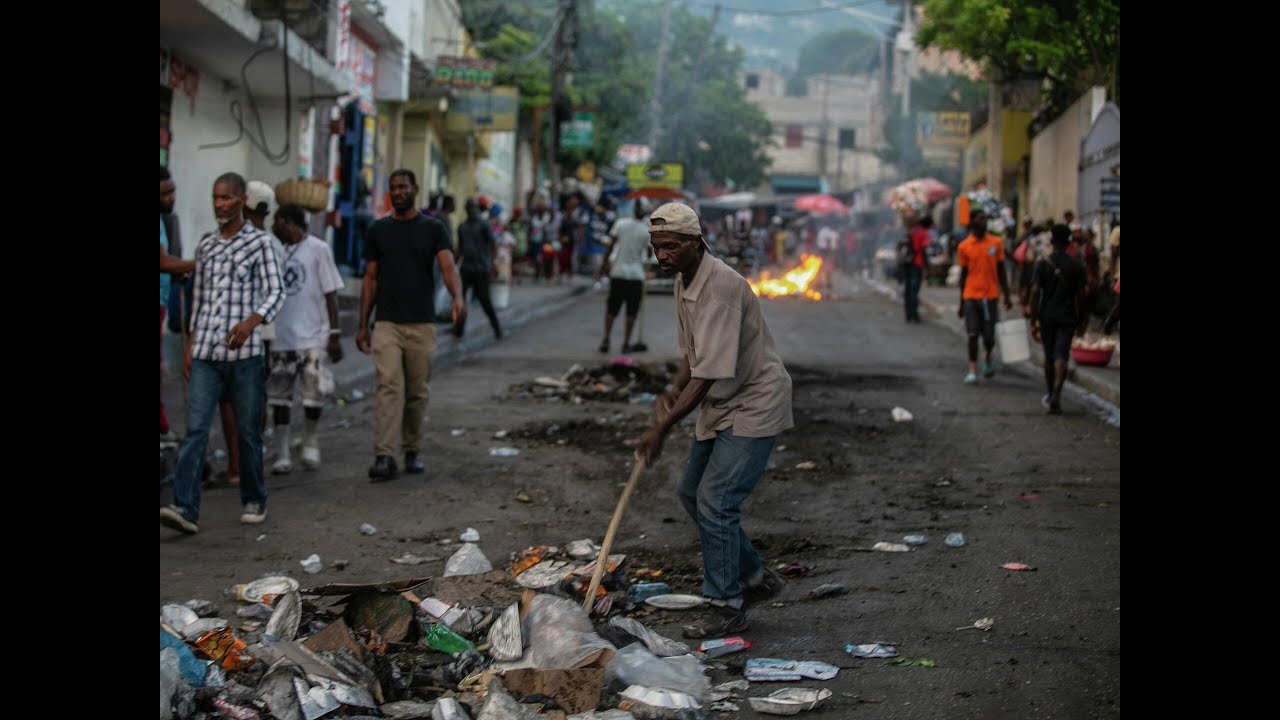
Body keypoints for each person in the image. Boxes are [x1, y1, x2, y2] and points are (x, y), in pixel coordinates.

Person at [636, 202, 792, 639]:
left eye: (670, 247)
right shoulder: (683, 279)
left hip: (755, 400)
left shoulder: (720, 287)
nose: (662, 255)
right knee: (692, 493)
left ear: (695, 242)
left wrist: (661, 430)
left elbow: (707, 373)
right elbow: (693, 356)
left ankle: (726, 605)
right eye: (656, 247)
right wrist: (671, 389)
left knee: (717, 500)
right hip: (724, 401)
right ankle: (755, 577)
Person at [160, 172, 285, 534]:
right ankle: (185, 507)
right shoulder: (206, 247)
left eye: (227, 198)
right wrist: (191, 344)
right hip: (205, 354)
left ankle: (254, 497)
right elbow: (199, 299)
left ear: (242, 199)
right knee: (196, 429)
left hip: (244, 356)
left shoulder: (260, 244)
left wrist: (251, 323)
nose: (220, 204)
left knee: (247, 431)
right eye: (216, 198)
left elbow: (276, 292)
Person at [357, 170, 466, 481]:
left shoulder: (433, 229)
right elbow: (370, 279)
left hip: (422, 322)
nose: (397, 192)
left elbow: (447, 266)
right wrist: (363, 324)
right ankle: (383, 455)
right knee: (388, 386)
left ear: (415, 190)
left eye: (403, 187)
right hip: (387, 322)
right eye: (392, 188)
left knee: (417, 392)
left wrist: (458, 297)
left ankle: (412, 450)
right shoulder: (378, 230)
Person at [266, 203, 345, 473]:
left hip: (313, 335)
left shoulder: (318, 249)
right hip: (281, 337)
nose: (272, 227)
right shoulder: (275, 251)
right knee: (280, 397)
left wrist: (334, 333)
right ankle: (283, 451)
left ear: (288, 222)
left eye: (276, 222)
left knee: (313, 395)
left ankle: (310, 440)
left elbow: (331, 293)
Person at [1030, 224, 1087, 414]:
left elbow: (1035, 291)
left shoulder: (1042, 264)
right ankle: (1057, 392)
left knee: (1049, 357)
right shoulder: (1077, 266)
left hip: (1047, 316)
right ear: (1069, 242)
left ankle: (1049, 391)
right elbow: (1083, 295)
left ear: (1052, 242)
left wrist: (1033, 319)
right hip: (1068, 316)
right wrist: (1083, 321)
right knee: (1062, 355)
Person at [955, 210, 1013, 383]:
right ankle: (972, 369)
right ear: (972, 222)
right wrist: (961, 303)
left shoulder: (995, 243)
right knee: (972, 335)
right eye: (981, 219)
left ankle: (988, 357)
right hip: (971, 296)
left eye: (985, 219)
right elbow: (963, 275)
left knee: (988, 336)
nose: (984, 222)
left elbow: (1001, 270)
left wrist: (1007, 295)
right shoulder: (964, 246)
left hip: (991, 296)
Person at [160, 167, 194, 437]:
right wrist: (202, 262)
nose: (171, 198)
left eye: (172, 192)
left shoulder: (168, 220)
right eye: (165, 193)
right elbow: (162, 261)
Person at [597, 199, 653, 354]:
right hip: (636, 276)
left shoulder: (620, 224)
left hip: (618, 273)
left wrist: (603, 266)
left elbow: (610, 246)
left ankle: (606, 339)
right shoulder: (647, 229)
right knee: (631, 312)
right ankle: (626, 342)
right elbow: (649, 254)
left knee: (612, 309)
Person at [456, 197, 502, 339]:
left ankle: (496, 327)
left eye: (474, 207)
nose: (472, 210)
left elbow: (493, 245)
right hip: (466, 268)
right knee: (460, 299)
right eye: (469, 207)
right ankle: (459, 328)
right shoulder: (462, 227)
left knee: (484, 299)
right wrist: (453, 265)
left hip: (481, 268)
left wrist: (493, 263)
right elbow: (460, 248)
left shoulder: (484, 225)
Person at [903, 216, 932, 323]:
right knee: (914, 291)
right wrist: (927, 266)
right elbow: (924, 250)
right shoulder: (924, 233)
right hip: (917, 263)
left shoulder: (912, 230)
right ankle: (914, 314)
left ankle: (908, 313)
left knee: (908, 289)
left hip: (908, 262)